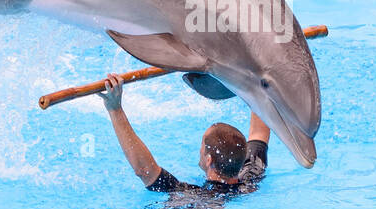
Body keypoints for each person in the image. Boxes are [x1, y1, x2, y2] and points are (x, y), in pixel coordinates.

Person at [98, 73, 269, 198]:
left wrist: (115, 109)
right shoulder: (252, 173)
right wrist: (258, 79)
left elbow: (144, 171)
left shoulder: (193, 197)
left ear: (209, 160)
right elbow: (259, 132)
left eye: (202, 146)